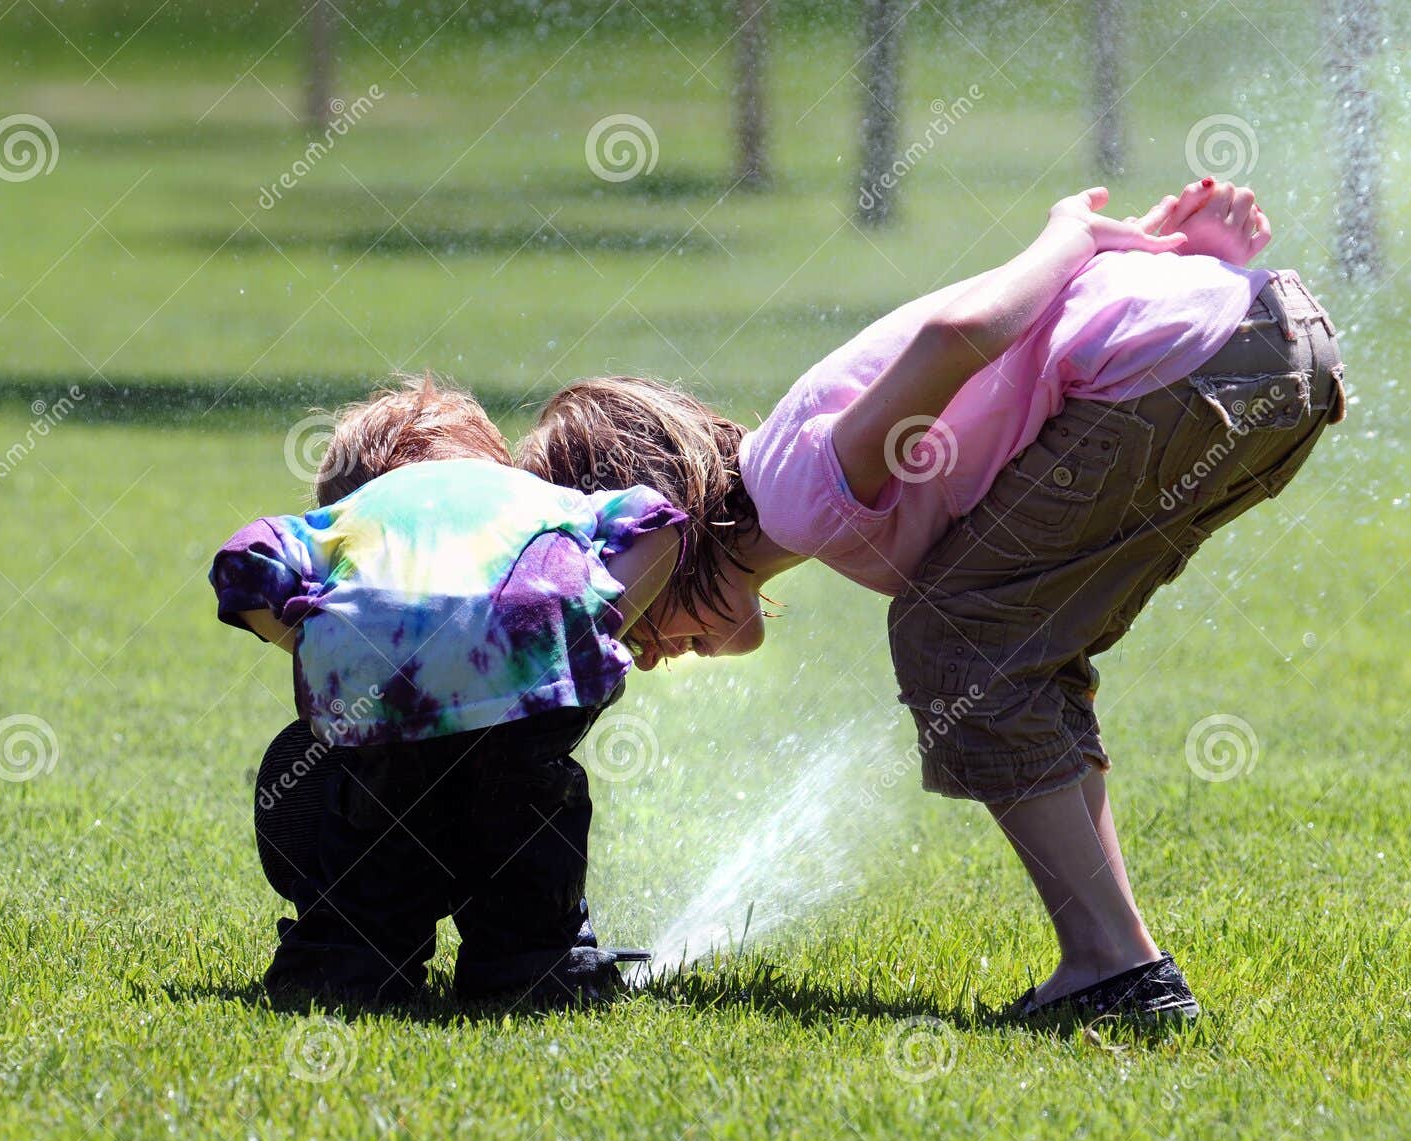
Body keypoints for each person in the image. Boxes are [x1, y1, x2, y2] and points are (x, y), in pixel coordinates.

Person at [517, 179, 1346, 1026]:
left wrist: (1069, 233)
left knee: (951, 633)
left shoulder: (795, 489)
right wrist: (1193, 261)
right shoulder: (802, 491)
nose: (638, 650)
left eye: (621, 607)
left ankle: (1114, 968)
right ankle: (1118, 967)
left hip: (1198, 369)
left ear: (659, 522)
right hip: (1276, 354)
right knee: (1009, 644)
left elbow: (957, 337)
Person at [211, 376, 683, 1006]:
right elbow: (658, 520)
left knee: (376, 829)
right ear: (492, 463)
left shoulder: (350, 517)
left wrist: (315, 643)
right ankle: (536, 971)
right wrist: (592, 633)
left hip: (388, 697)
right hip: (524, 669)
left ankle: (344, 969)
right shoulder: (538, 498)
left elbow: (244, 559)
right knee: (527, 817)